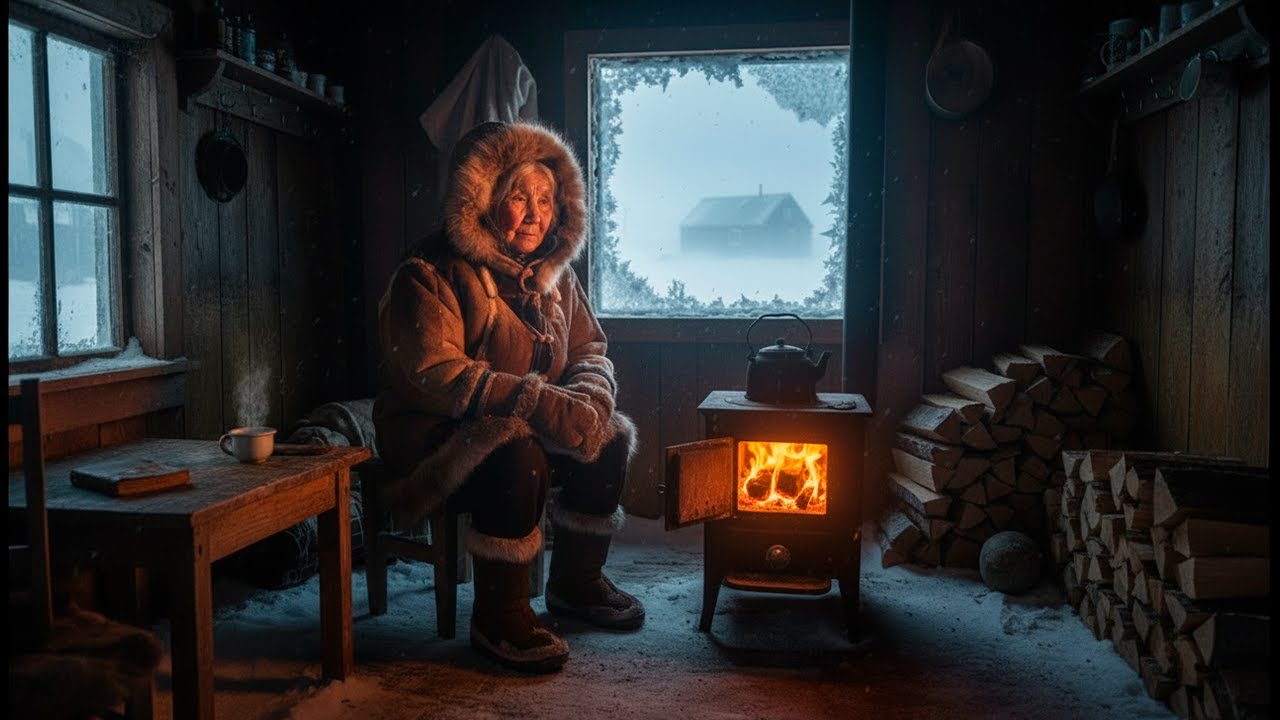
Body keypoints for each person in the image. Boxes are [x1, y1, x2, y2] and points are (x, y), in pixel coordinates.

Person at [373, 121, 644, 674]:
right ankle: (498, 614)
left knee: (608, 438)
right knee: (516, 454)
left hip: (522, 423)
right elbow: (434, 370)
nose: (534, 212)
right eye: (518, 195)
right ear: (485, 198)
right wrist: (541, 405)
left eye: (545, 198)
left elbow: (590, 347)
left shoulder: (553, 276)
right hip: (431, 434)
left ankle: (577, 584)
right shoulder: (427, 270)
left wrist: (589, 398)